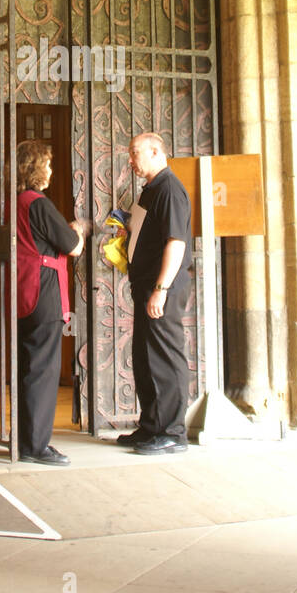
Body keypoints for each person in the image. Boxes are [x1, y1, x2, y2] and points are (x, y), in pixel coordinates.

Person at [122, 132, 193, 455]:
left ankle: (173, 432)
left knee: (165, 356)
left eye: (136, 153)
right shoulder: (151, 191)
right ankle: (152, 424)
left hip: (160, 287)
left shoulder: (169, 189)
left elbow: (175, 243)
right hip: (146, 285)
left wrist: (161, 289)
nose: (131, 160)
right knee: (145, 357)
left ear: (155, 151)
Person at [16, 139, 85, 465]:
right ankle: (36, 445)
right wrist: (79, 230)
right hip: (45, 292)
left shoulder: (12, 202)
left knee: (29, 368)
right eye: (48, 164)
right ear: (38, 168)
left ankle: (23, 438)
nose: (51, 170)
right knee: (44, 370)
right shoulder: (38, 203)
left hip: (21, 290)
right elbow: (72, 246)